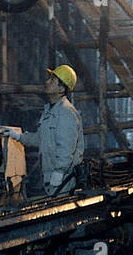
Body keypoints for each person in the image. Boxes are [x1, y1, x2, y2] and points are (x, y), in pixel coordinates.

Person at [10, 65, 83, 196]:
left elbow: (67, 148)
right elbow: (41, 138)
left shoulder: (66, 113)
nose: (47, 82)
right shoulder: (50, 111)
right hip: (51, 176)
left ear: (61, 89)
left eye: (52, 80)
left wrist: (59, 172)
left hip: (64, 178)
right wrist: (18, 137)